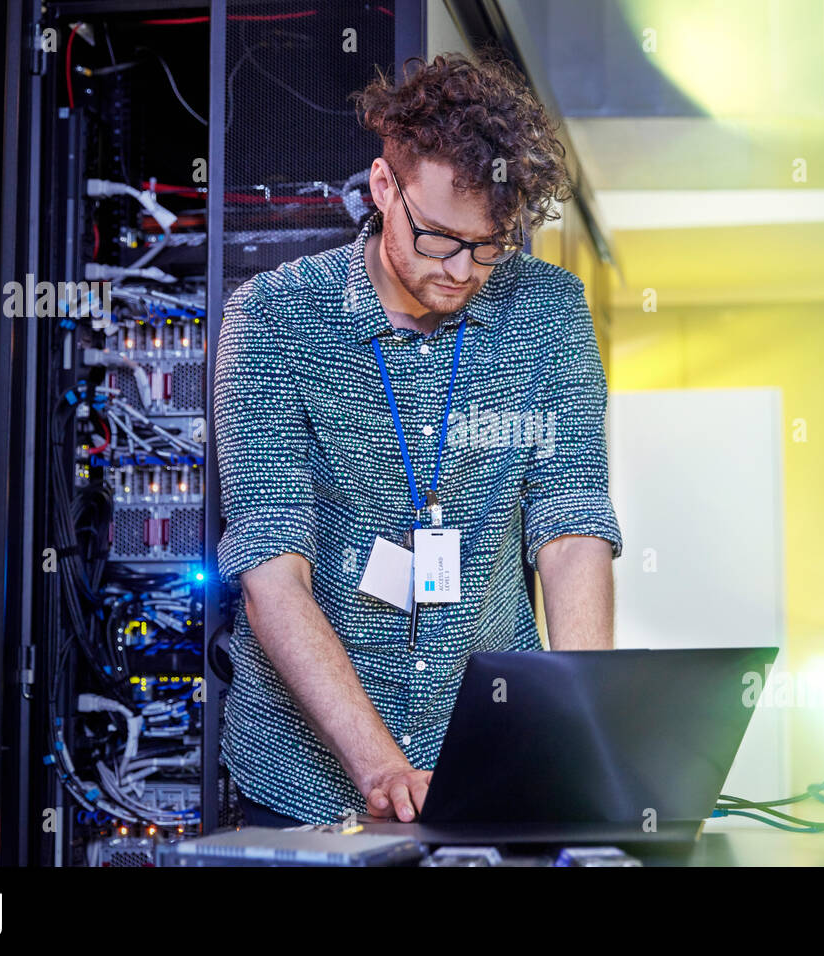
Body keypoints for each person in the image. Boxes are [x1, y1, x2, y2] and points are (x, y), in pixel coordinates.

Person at [212, 51, 622, 827]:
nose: (465, 269)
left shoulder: (550, 312)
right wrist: (383, 769)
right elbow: (272, 576)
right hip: (302, 781)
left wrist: (584, 723)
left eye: (493, 243)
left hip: (494, 757)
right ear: (381, 187)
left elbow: (572, 527)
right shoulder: (272, 318)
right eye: (438, 238)